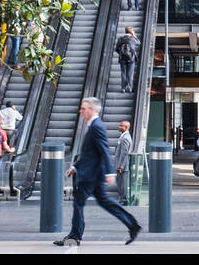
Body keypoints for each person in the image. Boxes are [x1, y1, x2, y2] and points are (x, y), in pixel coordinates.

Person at [54, 98, 141, 247]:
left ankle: (75, 236)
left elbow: (104, 150)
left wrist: (110, 173)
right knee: (104, 202)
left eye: (84, 108)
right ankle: (132, 224)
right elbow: (89, 153)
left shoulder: (96, 126)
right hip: (92, 173)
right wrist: (75, 167)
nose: (81, 111)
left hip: (91, 175)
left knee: (78, 203)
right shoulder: (93, 125)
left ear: (92, 110)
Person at [115, 25, 140, 93]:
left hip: (122, 59)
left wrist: (121, 53)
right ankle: (129, 87)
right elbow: (139, 43)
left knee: (123, 73)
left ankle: (123, 88)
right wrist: (134, 35)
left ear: (125, 31)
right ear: (131, 31)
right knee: (130, 73)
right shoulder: (132, 38)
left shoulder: (121, 38)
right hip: (131, 59)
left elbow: (116, 49)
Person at [114, 120, 133, 205]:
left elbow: (124, 154)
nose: (119, 127)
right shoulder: (123, 136)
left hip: (122, 166)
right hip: (120, 165)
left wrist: (121, 166)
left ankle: (123, 200)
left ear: (126, 128)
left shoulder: (125, 138)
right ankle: (122, 199)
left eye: (121, 126)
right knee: (120, 183)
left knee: (122, 184)